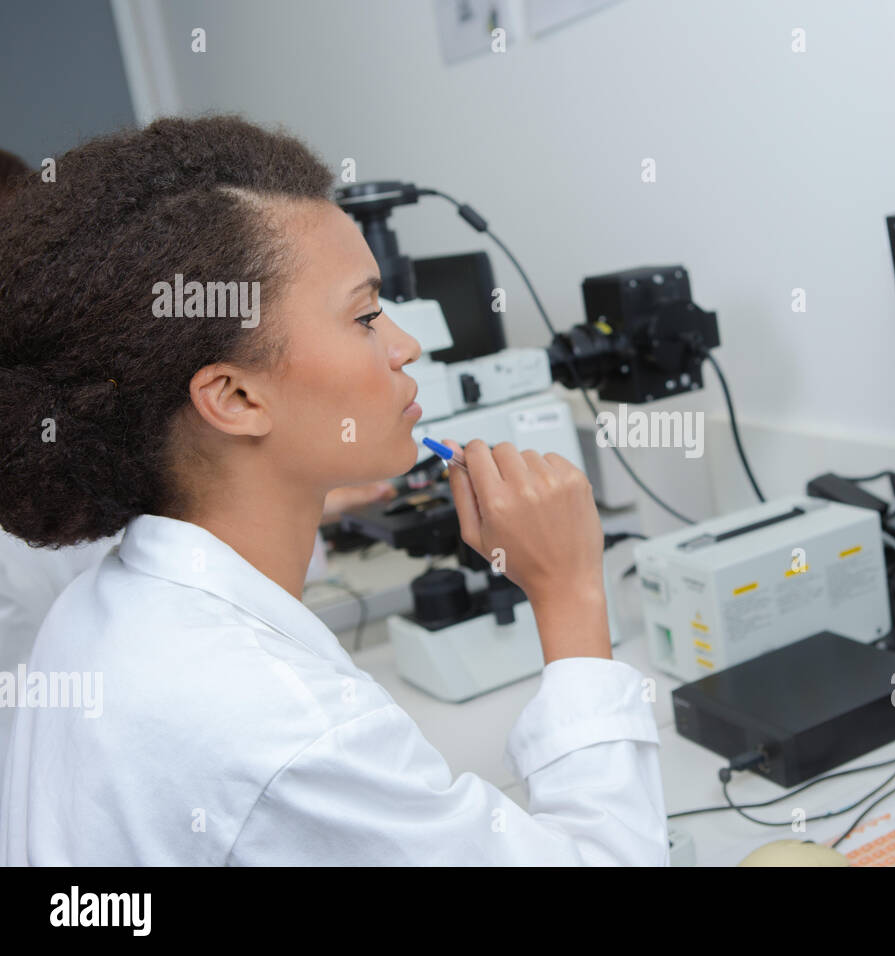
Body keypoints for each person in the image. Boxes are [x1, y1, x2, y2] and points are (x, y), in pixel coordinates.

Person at [0, 116, 667, 865]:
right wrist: (571, 591)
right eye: (364, 316)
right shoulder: (286, 727)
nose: (405, 346)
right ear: (236, 398)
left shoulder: (92, 612)